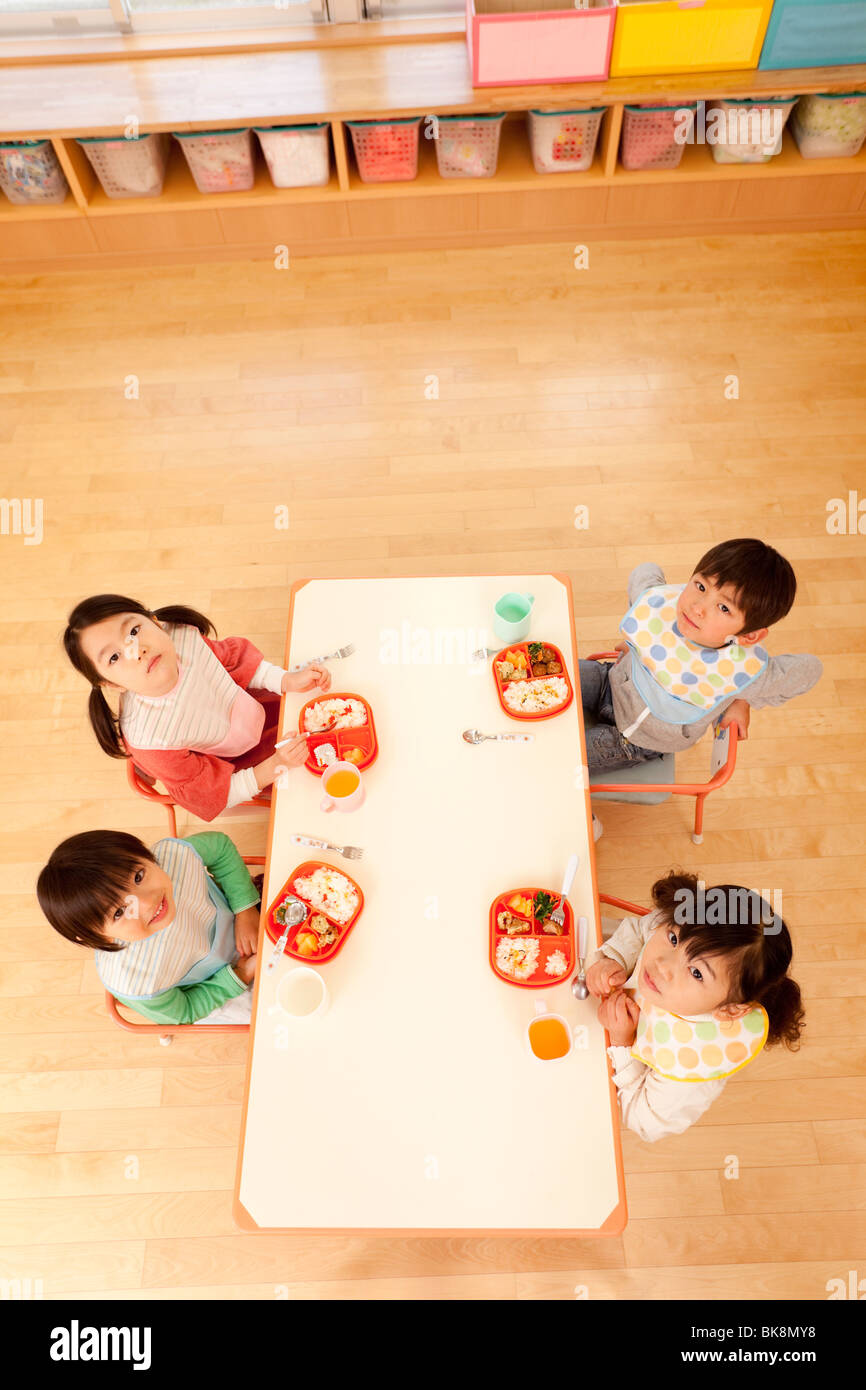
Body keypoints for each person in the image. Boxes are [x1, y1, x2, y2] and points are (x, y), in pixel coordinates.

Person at [581, 540, 822, 838]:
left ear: (750, 635)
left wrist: (742, 697)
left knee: (561, 762)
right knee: (552, 675)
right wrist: (639, 647)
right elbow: (645, 571)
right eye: (700, 586)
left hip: (634, 739)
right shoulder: (662, 605)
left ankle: (584, 822)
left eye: (723, 607)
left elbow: (811, 669)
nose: (697, 608)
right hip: (611, 681)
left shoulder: (740, 671)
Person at [63, 594, 330, 820]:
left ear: (155, 621)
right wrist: (277, 765)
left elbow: (236, 663)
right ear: (110, 684)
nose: (136, 650)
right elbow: (215, 793)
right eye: (114, 657)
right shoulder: (152, 741)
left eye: (133, 631)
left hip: (255, 706)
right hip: (242, 765)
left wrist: (286, 680)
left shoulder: (182, 638)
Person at [587, 869, 805, 1142]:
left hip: (601, 1064)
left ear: (729, 1009)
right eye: (674, 939)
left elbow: (644, 1121)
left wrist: (622, 1042)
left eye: (697, 973)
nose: (662, 966)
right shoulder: (684, 927)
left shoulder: (693, 1063)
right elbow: (643, 928)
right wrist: (616, 958)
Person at [37, 829, 263, 1025]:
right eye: (118, 912)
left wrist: (244, 909)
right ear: (99, 938)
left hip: (243, 918)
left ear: (147, 855)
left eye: (138, 877)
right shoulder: (133, 979)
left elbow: (220, 848)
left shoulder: (173, 858)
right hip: (217, 986)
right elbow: (185, 1010)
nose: (146, 903)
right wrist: (239, 975)